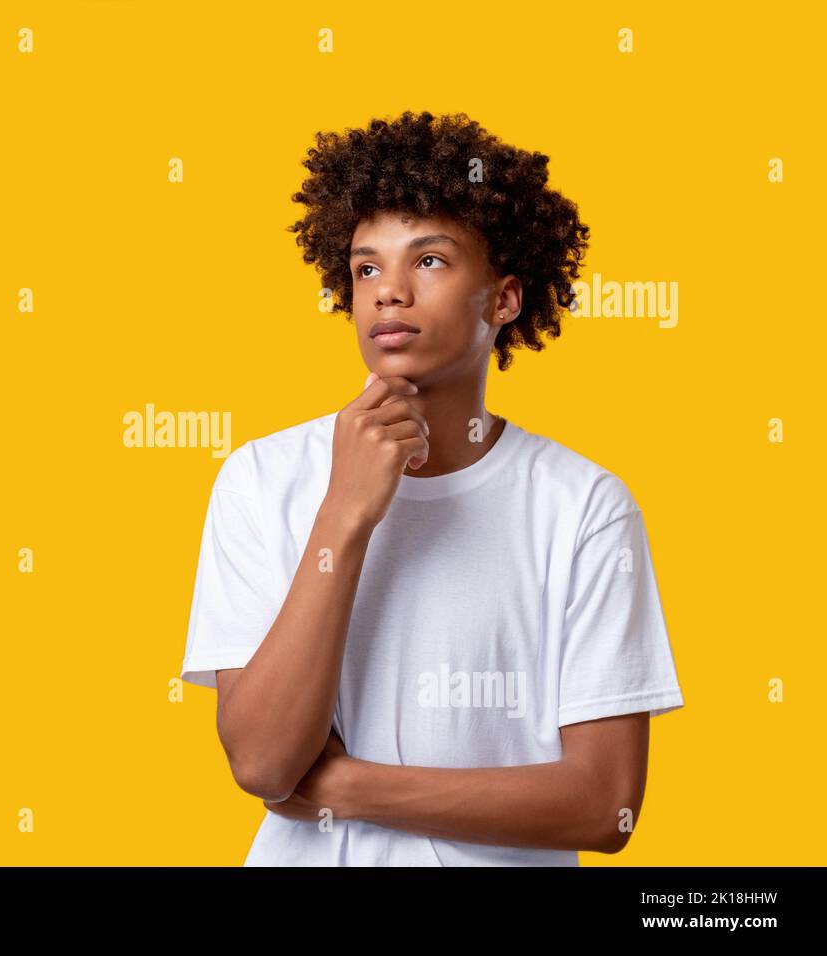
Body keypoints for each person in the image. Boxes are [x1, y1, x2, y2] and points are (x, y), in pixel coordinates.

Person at [179, 111, 685, 866]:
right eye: (367, 268)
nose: (390, 293)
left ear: (505, 299)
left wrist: (346, 785)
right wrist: (344, 516)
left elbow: (604, 805)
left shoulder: (583, 507)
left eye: (431, 262)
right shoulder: (262, 479)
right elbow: (260, 762)